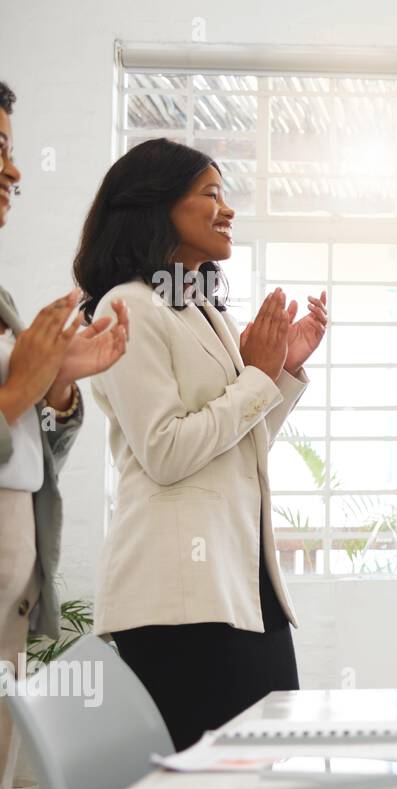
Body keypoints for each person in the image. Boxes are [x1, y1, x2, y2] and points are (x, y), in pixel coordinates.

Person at [76, 139, 328, 751]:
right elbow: (166, 453)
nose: (228, 210)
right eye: (210, 194)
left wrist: (282, 372)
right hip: (179, 604)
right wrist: (258, 377)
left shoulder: (202, 309)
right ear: (155, 208)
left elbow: (238, 444)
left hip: (245, 588)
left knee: (266, 780)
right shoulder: (126, 307)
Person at [0, 79, 129, 789]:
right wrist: (20, 388)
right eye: (1, 153)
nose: (15, 173)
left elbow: (27, 457)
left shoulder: (5, 301)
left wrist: (56, 392)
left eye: (14, 153)